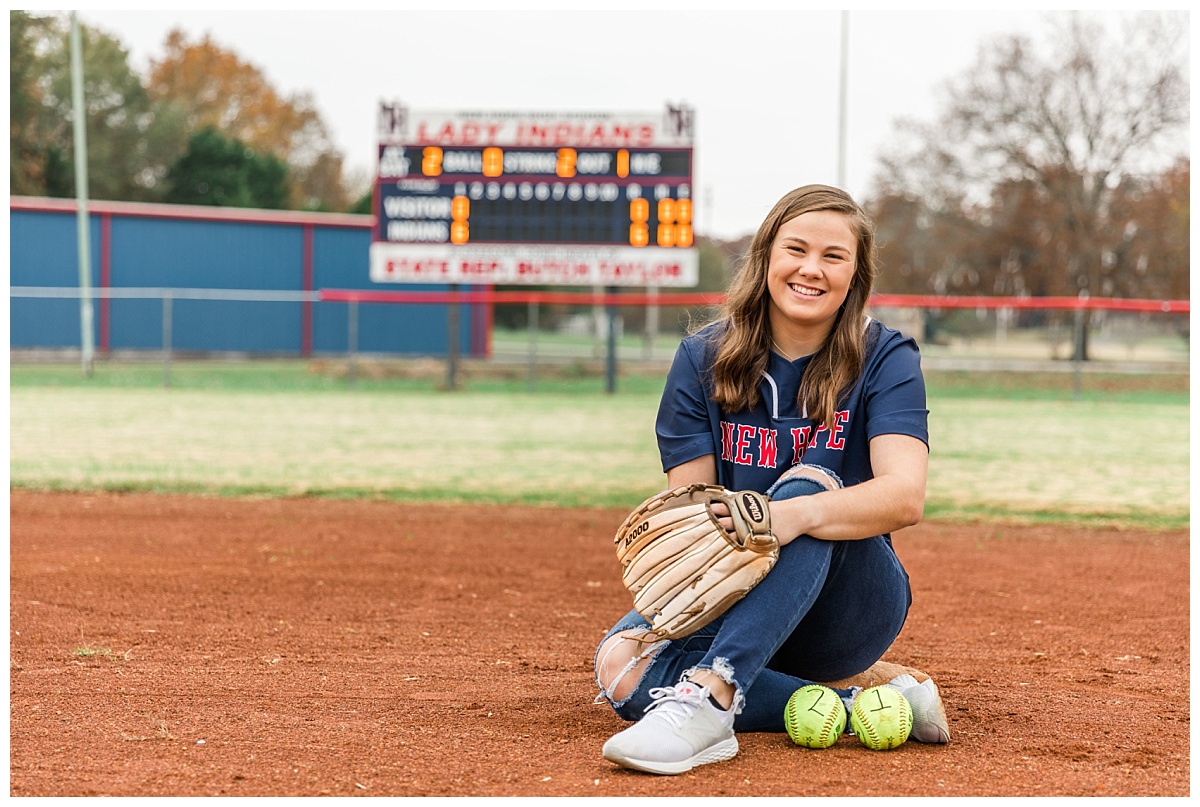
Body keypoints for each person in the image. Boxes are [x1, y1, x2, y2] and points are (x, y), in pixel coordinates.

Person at [593, 184, 949, 775]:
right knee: (621, 668)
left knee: (808, 485)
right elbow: (695, 511)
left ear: (854, 275)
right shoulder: (700, 359)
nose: (812, 269)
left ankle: (713, 697)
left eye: (834, 256)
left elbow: (903, 496)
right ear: (766, 259)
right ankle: (868, 704)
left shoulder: (885, 356)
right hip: (738, 593)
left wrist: (787, 516)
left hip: (849, 606)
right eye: (797, 249)